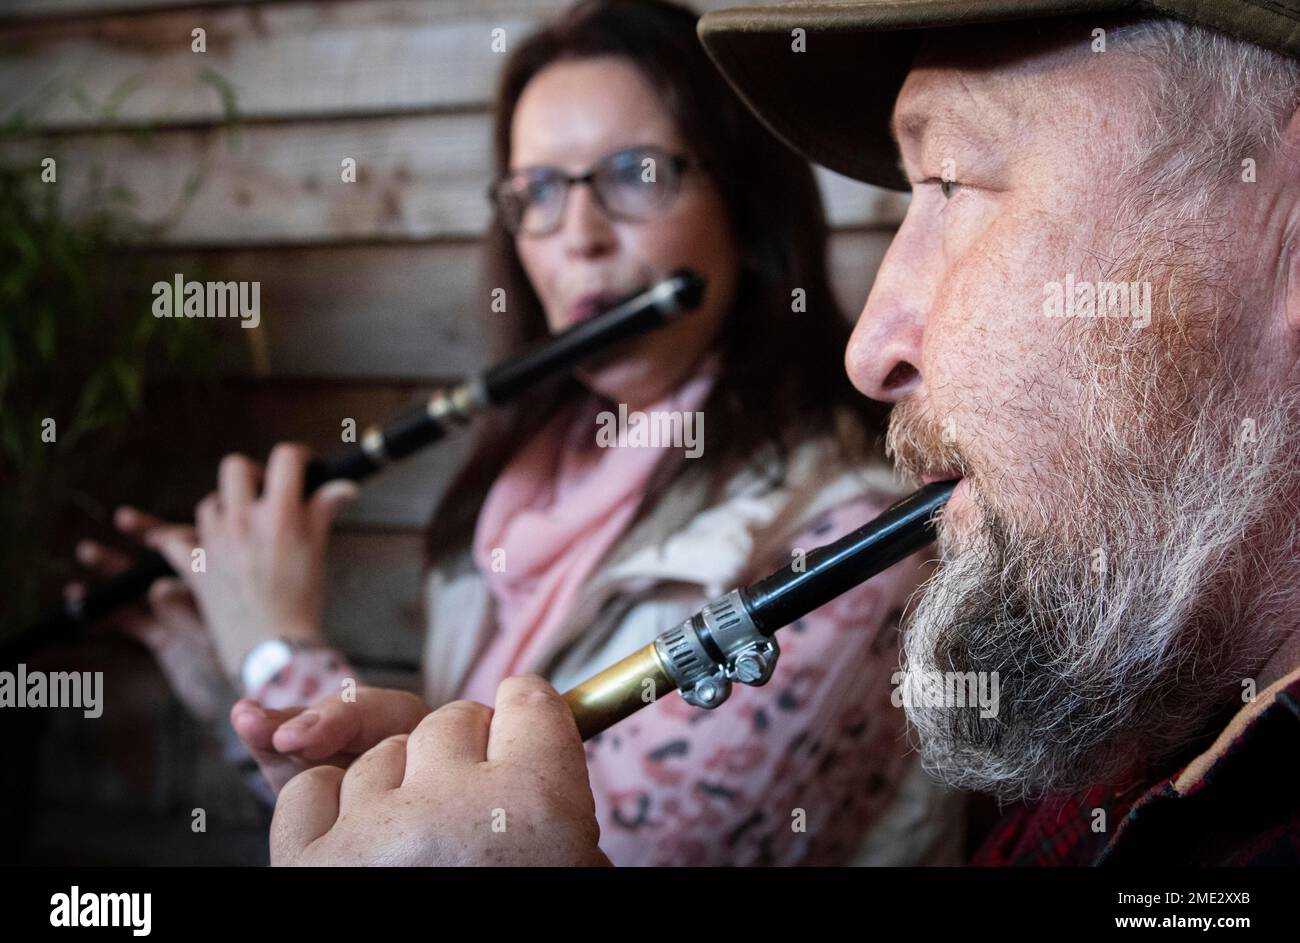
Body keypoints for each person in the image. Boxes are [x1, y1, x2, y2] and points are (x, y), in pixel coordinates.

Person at [267, 0, 1300, 867]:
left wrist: (270, 644)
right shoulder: (1152, 728)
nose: (874, 346)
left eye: (948, 180)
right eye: (536, 193)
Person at [71, 0, 963, 866]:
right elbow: (406, 836)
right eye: (537, 190)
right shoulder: (521, 484)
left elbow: (587, 848)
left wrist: (278, 647)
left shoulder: (854, 537)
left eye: (636, 174)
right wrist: (235, 680)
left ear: (749, 209)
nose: (578, 234)